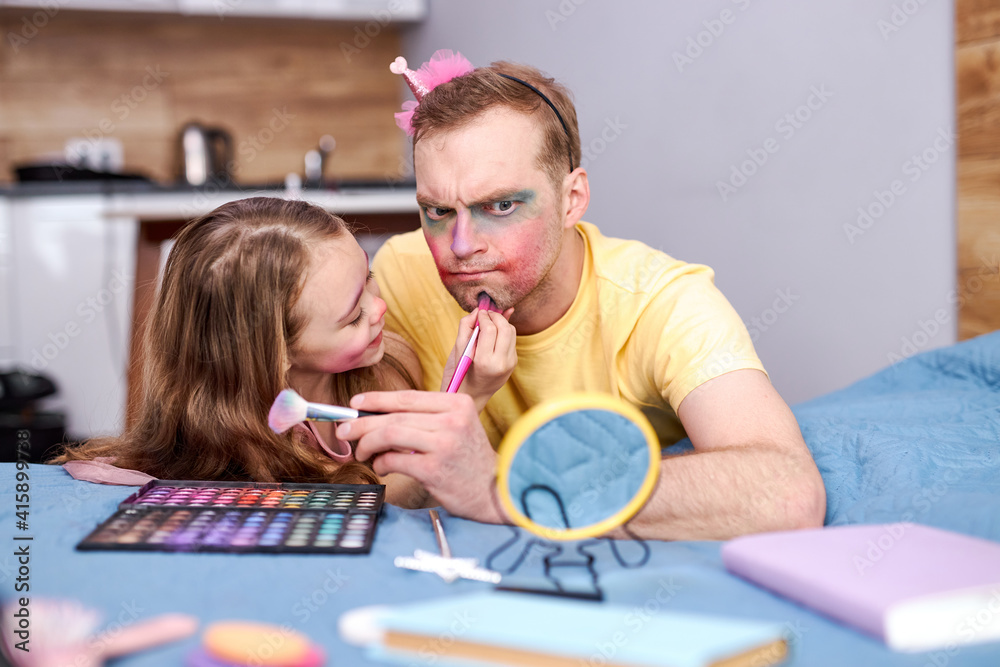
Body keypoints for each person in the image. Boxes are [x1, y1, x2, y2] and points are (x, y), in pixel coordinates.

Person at [336, 53, 827, 539]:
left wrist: (507, 491)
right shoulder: (400, 275)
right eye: (439, 211)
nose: (462, 246)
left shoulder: (662, 304)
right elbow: (360, 481)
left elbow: (787, 492)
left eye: (501, 205)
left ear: (572, 199)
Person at [51, 196, 514, 508]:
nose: (380, 308)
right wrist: (465, 402)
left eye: (369, 277)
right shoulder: (240, 443)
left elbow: (414, 487)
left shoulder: (386, 366)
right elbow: (374, 505)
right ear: (275, 356)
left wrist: (461, 395)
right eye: (352, 317)